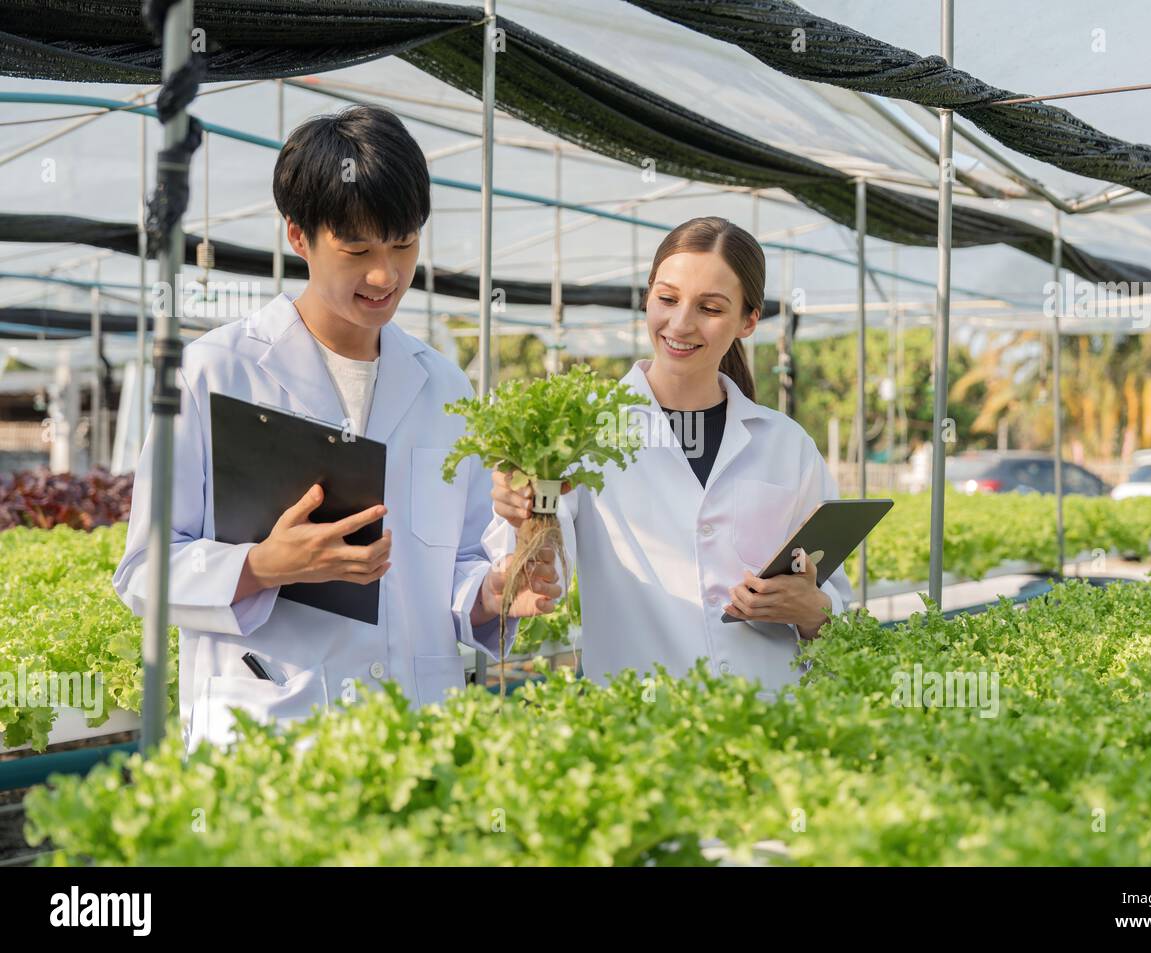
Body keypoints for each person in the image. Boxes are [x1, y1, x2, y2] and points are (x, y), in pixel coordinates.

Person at [114, 105, 557, 751]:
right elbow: (144, 572)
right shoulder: (214, 373)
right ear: (299, 236)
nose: (385, 275)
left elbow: (458, 562)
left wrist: (493, 591)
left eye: (403, 245)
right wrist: (262, 565)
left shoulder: (443, 385)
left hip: (414, 728)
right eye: (357, 250)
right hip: (274, 726)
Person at [486, 216, 851, 691]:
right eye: (667, 299)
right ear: (647, 298)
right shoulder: (580, 432)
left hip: (767, 728)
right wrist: (525, 515)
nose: (680, 323)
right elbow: (536, 567)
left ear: (749, 321)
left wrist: (813, 613)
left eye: (710, 308)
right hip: (640, 733)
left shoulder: (787, 446)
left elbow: (839, 611)